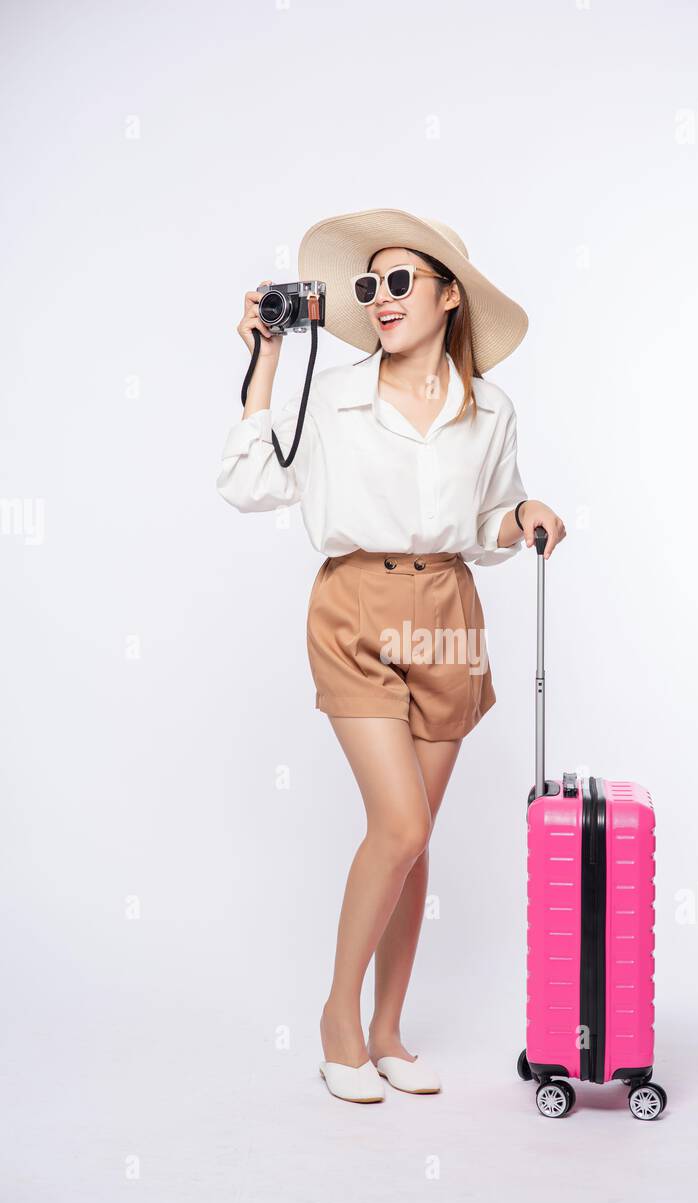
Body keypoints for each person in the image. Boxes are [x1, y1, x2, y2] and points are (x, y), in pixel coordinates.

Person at [217, 209, 566, 1103]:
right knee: (400, 825)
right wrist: (265, 363)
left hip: (447, 611)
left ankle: (387, 1032)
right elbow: (250, 485)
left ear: (450, 295)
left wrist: (524, 517)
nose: (379, 299)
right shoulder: (330, 397)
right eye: (368, 287)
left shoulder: (490, 409)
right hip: (356, 607)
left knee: (416, 843)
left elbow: (487, 524)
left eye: (400, 281)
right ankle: (339, 1018)